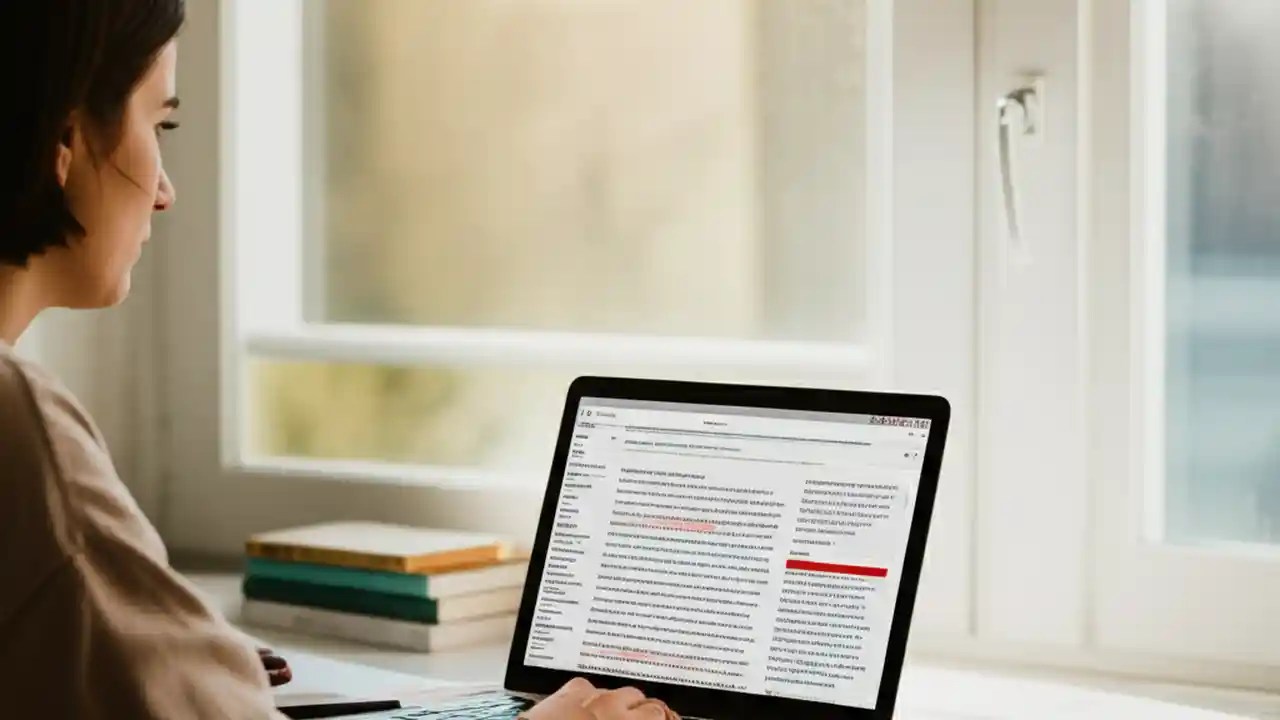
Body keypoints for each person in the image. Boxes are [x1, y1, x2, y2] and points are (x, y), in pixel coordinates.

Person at [0, 2, 677, 719]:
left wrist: (191, 664)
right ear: (66, 138)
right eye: (158, 125)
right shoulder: (19, 424)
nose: (166, 191)